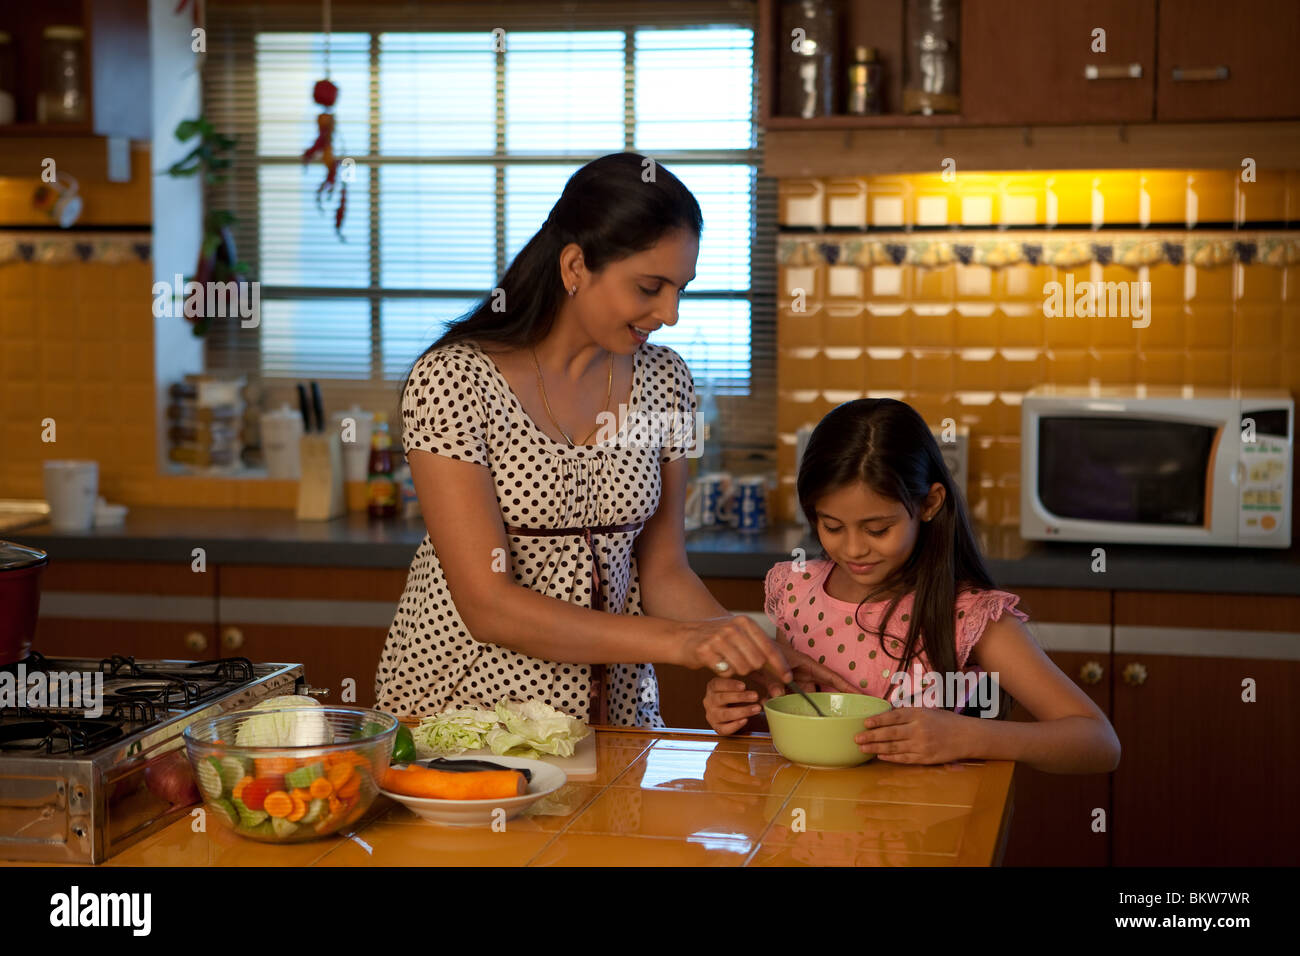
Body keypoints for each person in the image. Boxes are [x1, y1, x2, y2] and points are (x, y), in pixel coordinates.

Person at [375, 152, 856, 725]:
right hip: (464, 717)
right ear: (576, 266)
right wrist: (681, 643)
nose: (671, 313)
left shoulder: (666, 380)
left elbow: (665, 573)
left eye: (681, 289)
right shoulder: (456, 380)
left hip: (615, 718)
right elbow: (488, 605)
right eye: (650, 286)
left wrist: (760, 657)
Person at [703, 399, 1122, 774]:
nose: (852, 549)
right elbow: (804, 730)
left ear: (929, 504)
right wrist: (745, 715)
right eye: (831, 526)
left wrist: (968, 735)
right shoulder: (796, 593)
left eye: (877, 528)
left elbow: (1098, 742)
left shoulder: (968, 615)